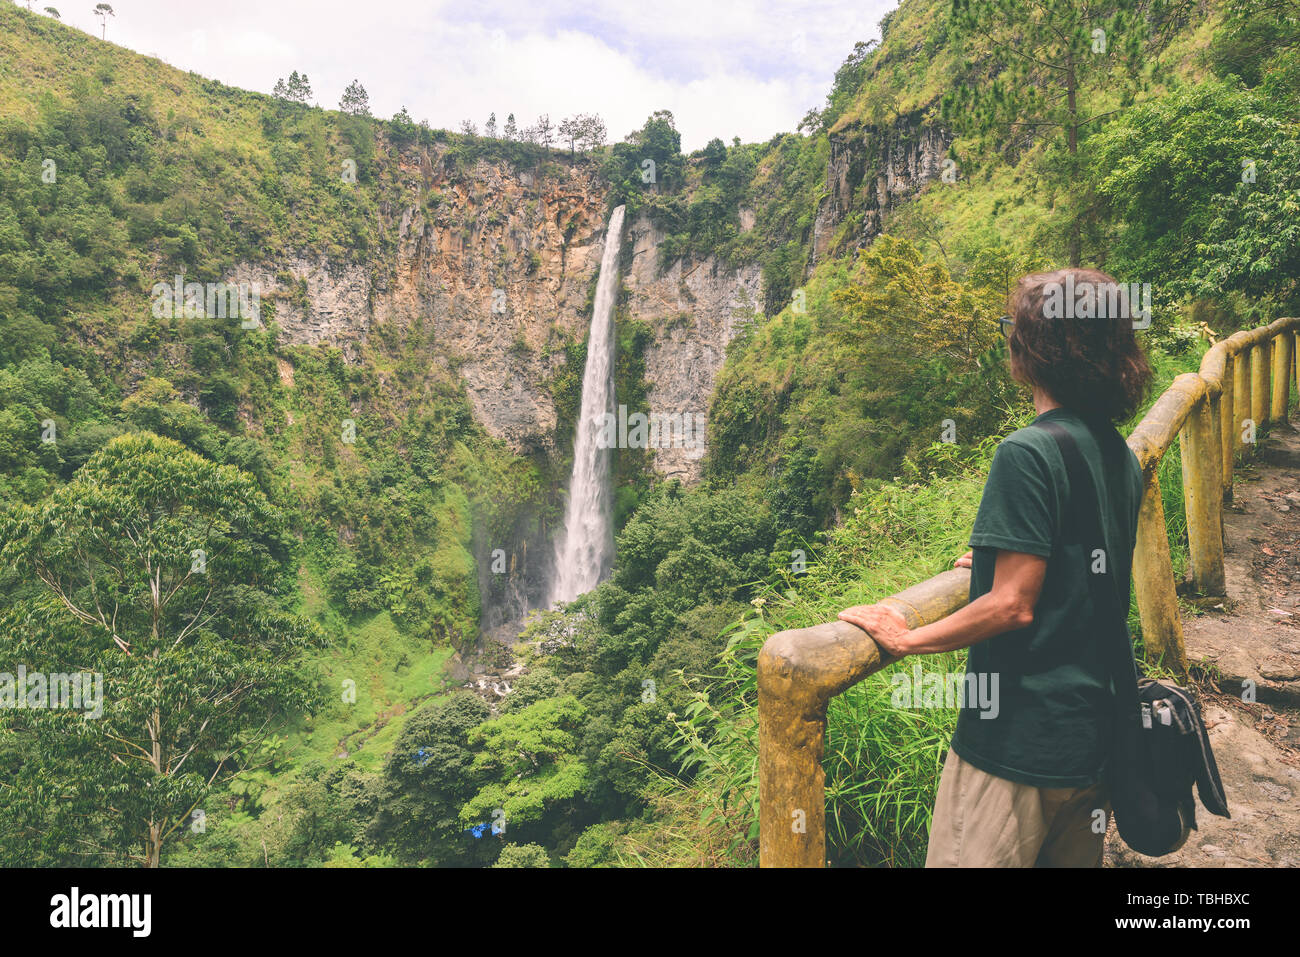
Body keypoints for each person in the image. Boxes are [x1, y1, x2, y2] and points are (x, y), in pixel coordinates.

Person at [838, 268, 1154, 867]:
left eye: (1014, 328)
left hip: (1017, 744)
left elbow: (1013, 604)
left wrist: (907, 639)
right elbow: (1085, 561)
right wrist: (992, 556)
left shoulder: (1027, 451)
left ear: (1035, 349)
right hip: (1091, 737)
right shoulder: (1116, 452)